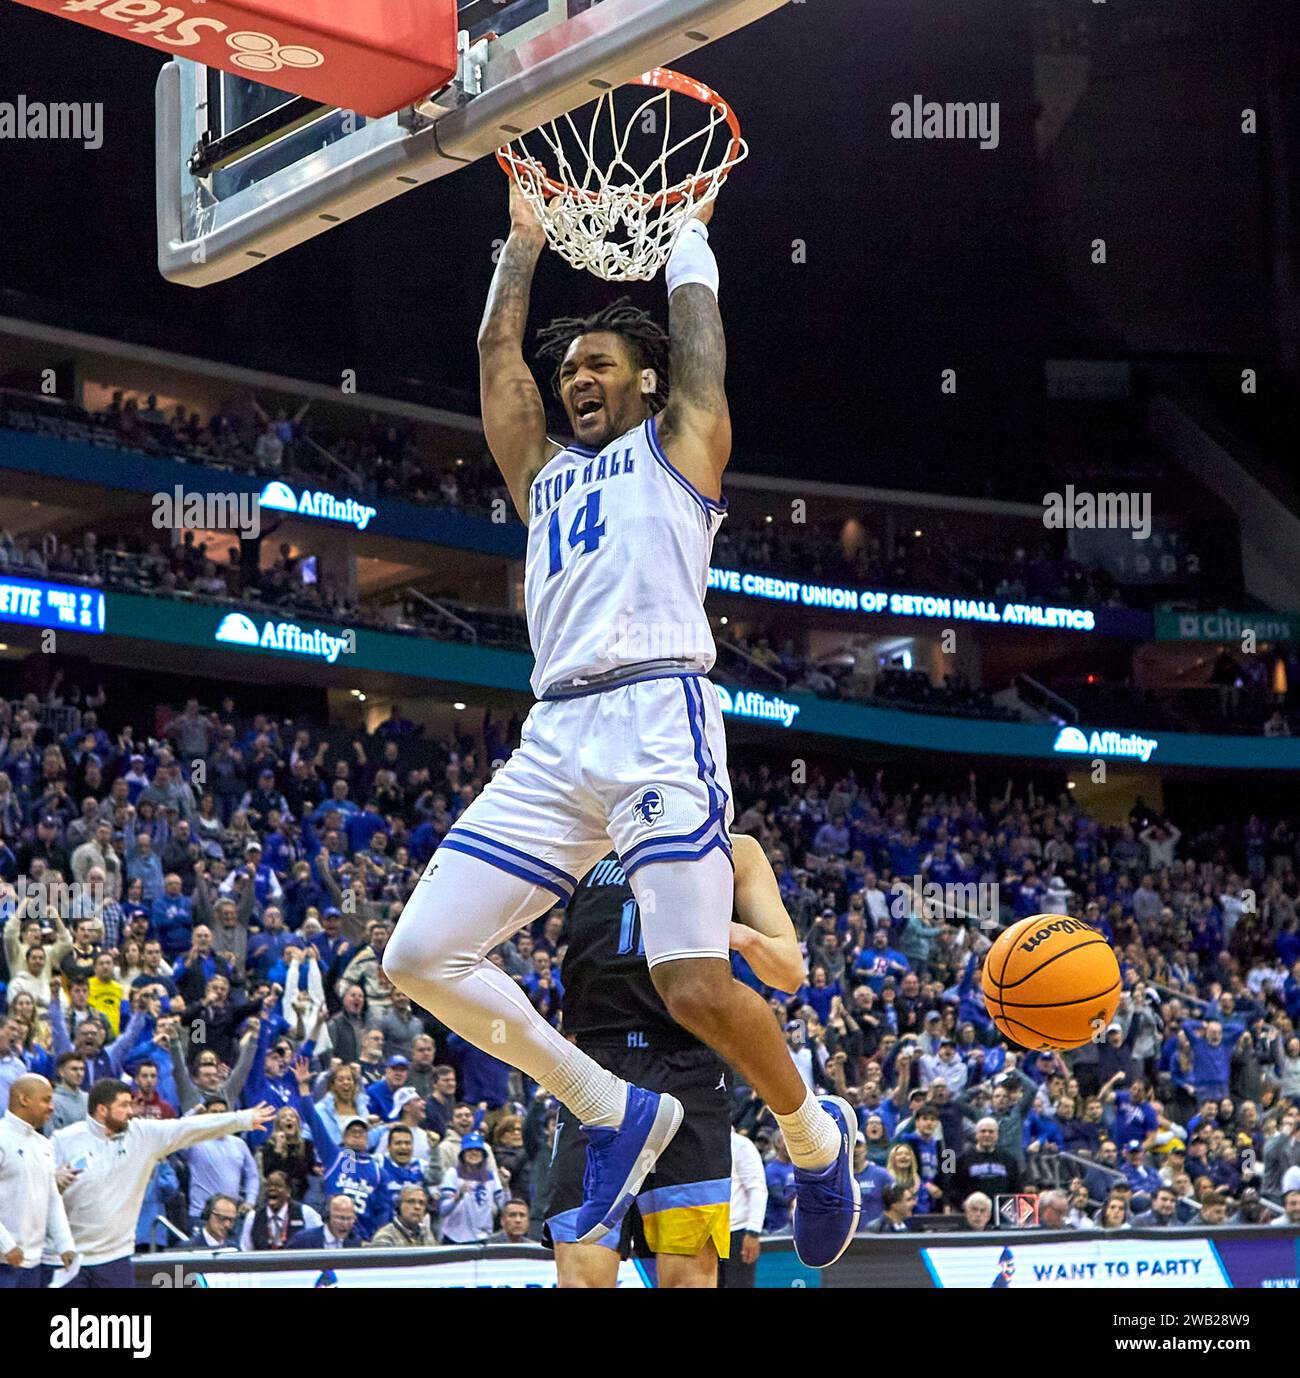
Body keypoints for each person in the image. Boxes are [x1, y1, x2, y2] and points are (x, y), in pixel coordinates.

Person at [382, 184, 857, 1269]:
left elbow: (702, 355)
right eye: (570, 371)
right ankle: (609, 1107)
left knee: (693, 981)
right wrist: (520, 244)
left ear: (645, 380)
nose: (574, 379)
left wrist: (689, 240)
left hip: (656, 712)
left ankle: (811, 1136)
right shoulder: (544, 477)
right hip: (556, 732)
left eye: (596, 363)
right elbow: (498, 365)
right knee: (419, 954)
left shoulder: (680, 448)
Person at [545, 837, 802, 1287]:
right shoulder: (582, 837)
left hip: (689, 1065)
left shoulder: (735, 851)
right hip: (596, 1066)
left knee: (689, 1276)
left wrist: (739, 935)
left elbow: (789, 971)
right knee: (581, 1275)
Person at [52, 1078, 274, 1287]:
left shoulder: (143, 1134)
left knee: (117, 1328)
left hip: (115, 1257)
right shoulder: (64, 1140)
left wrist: (242, 1119)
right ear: (102, 1110)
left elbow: (189, 1127)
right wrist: (54, 1179)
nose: (132, 1111)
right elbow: (38, 1189)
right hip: (71, 1256)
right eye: (124, 1105)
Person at [0, 1074, 76, 1287]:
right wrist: (6, 1245)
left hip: (33, 1261)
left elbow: (52, 1197)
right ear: (24, 1099)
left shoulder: (44, 1145)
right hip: (4, 1260)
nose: (51, 1107)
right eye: (46, 1100)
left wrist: (65, 1243)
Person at [720, 1126, 767, 1287]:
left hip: (737, 1232)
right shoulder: (701, 1145)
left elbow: (757, 1189)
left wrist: (753, 1232)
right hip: (707, 1234)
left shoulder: (740, 1145)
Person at [240, 1171, 321, 1252]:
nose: (272, 1189)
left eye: (278, 1186)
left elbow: (321, 1241)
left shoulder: (305, 1213)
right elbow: (246, 1251)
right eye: (268, 1186)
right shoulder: (253, 1217)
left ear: (288, 1192)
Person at [288, 1194, 363, 1250]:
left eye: (349, 1218)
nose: (345, 1224)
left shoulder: (355, 1242)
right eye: (340, 1218)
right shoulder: (302, 1240)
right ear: (327, 1216)